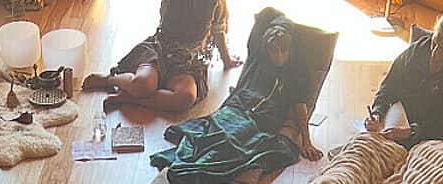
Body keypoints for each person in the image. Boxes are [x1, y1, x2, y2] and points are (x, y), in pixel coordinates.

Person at [81, 0, 240, 113]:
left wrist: (226, 60)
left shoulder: (217, 3)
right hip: (160, 49)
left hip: (189, 63)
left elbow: (218, 31)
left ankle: (128, 98)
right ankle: (109, 80)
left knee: (186, 97)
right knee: (142, 84)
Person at [363, 10, 443, 148]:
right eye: (434, 42)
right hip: (393, 122)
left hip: (424, 138)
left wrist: (411, 131)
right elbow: (389, 84)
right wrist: (378, 112)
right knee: (363, 147)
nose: (434, 51)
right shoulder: (417, 50)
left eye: (442, 48)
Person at [219, 8, 322, 159]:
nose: (279, 56)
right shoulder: (260, 53)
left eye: (283, 51)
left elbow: (299, 101)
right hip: (247, 102)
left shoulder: (296, 66)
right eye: (274, 51)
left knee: (249, 144)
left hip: (268, 114)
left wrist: (306, 141)